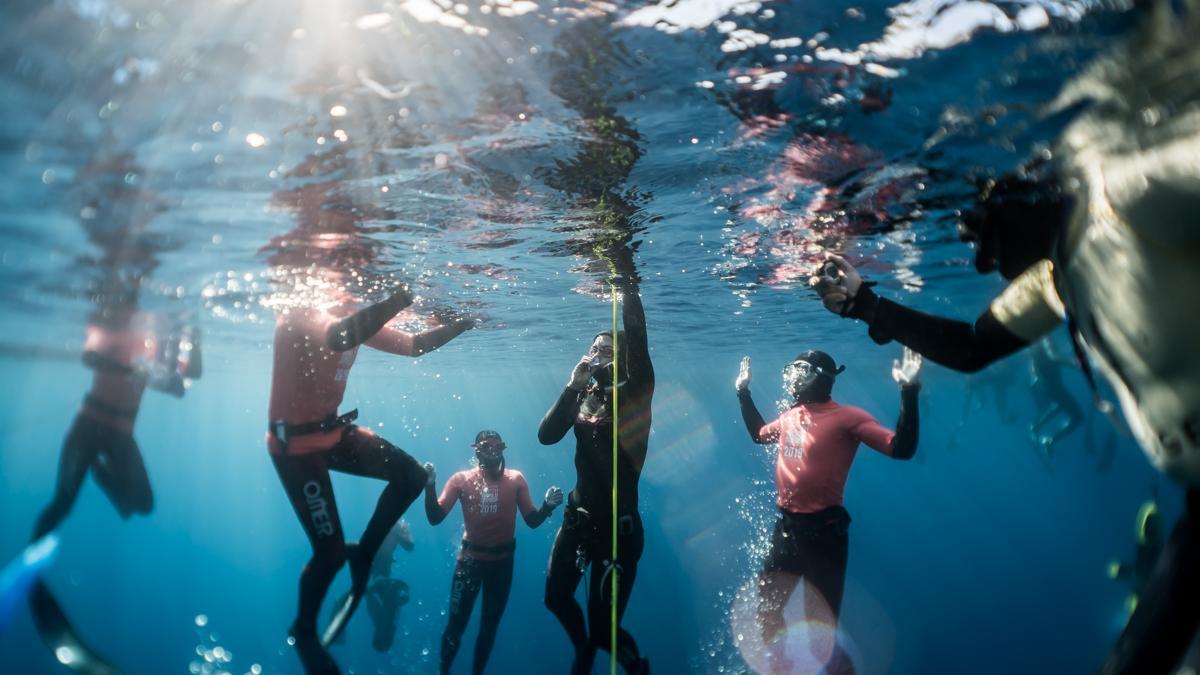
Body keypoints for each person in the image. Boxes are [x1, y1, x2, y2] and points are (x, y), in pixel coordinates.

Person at [809, 4, 1200, 664]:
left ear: (1020, 187)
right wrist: (864, 304)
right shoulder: (1060, 271)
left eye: (979, 230)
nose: (981, 260)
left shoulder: (1130, 193)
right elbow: (971, 346)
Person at [265, 231, 476, 675]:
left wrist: (462, 324)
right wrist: (399, 297)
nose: (353, 286)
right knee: (328, 553)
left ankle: (365, 552)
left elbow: (415, 345)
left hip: (334, 434)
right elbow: (341, 335)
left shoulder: (352, 318)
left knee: (412, 476)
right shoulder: (300, 314)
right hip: (296, 447)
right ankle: (304, 632)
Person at [735, 348, 921, 674]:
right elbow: (758, 435)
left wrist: (909, 391)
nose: (793, 378)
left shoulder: (848, 418)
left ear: (822, 378)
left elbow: (901, 449)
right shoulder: (793, 416)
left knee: (819, 623)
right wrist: (743, 391)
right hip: (786, 529)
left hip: (824, 534)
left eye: (801, 371)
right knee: (766, 609)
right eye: (791, 371)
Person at [537, 273, 653, 675]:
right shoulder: (582, 399)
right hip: (576, 521)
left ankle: (636, 667)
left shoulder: (634, 396)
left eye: (608, 351)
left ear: (622, 361)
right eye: (594, 349)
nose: (598, 356)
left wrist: (628, 288)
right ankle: (582, 648)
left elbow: (639, 344)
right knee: (555, 599)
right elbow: (546, 436)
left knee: (606, 629)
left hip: (616, 534)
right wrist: (571, 388)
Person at [423, 431, 563, 674]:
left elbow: (531, 520)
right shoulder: (461, 480)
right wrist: (429, 485)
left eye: (496, 446)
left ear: (503, 449)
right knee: (456, 626)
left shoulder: (516, 479)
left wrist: (547, 507)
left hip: (501, 566)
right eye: (486, 446)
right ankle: (443, 670)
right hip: (469, 564)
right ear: (476, 450)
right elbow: (435, 517)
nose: (491, 451)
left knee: (489, 628)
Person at [327, 520, 415, 652]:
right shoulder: (382, 529)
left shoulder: (396, 528)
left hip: (379, 574)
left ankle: (382, 631)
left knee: (374, 596)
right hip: (373, 571)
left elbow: (409, 545)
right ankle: (340, 636)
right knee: (357, 596)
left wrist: (400, 531)